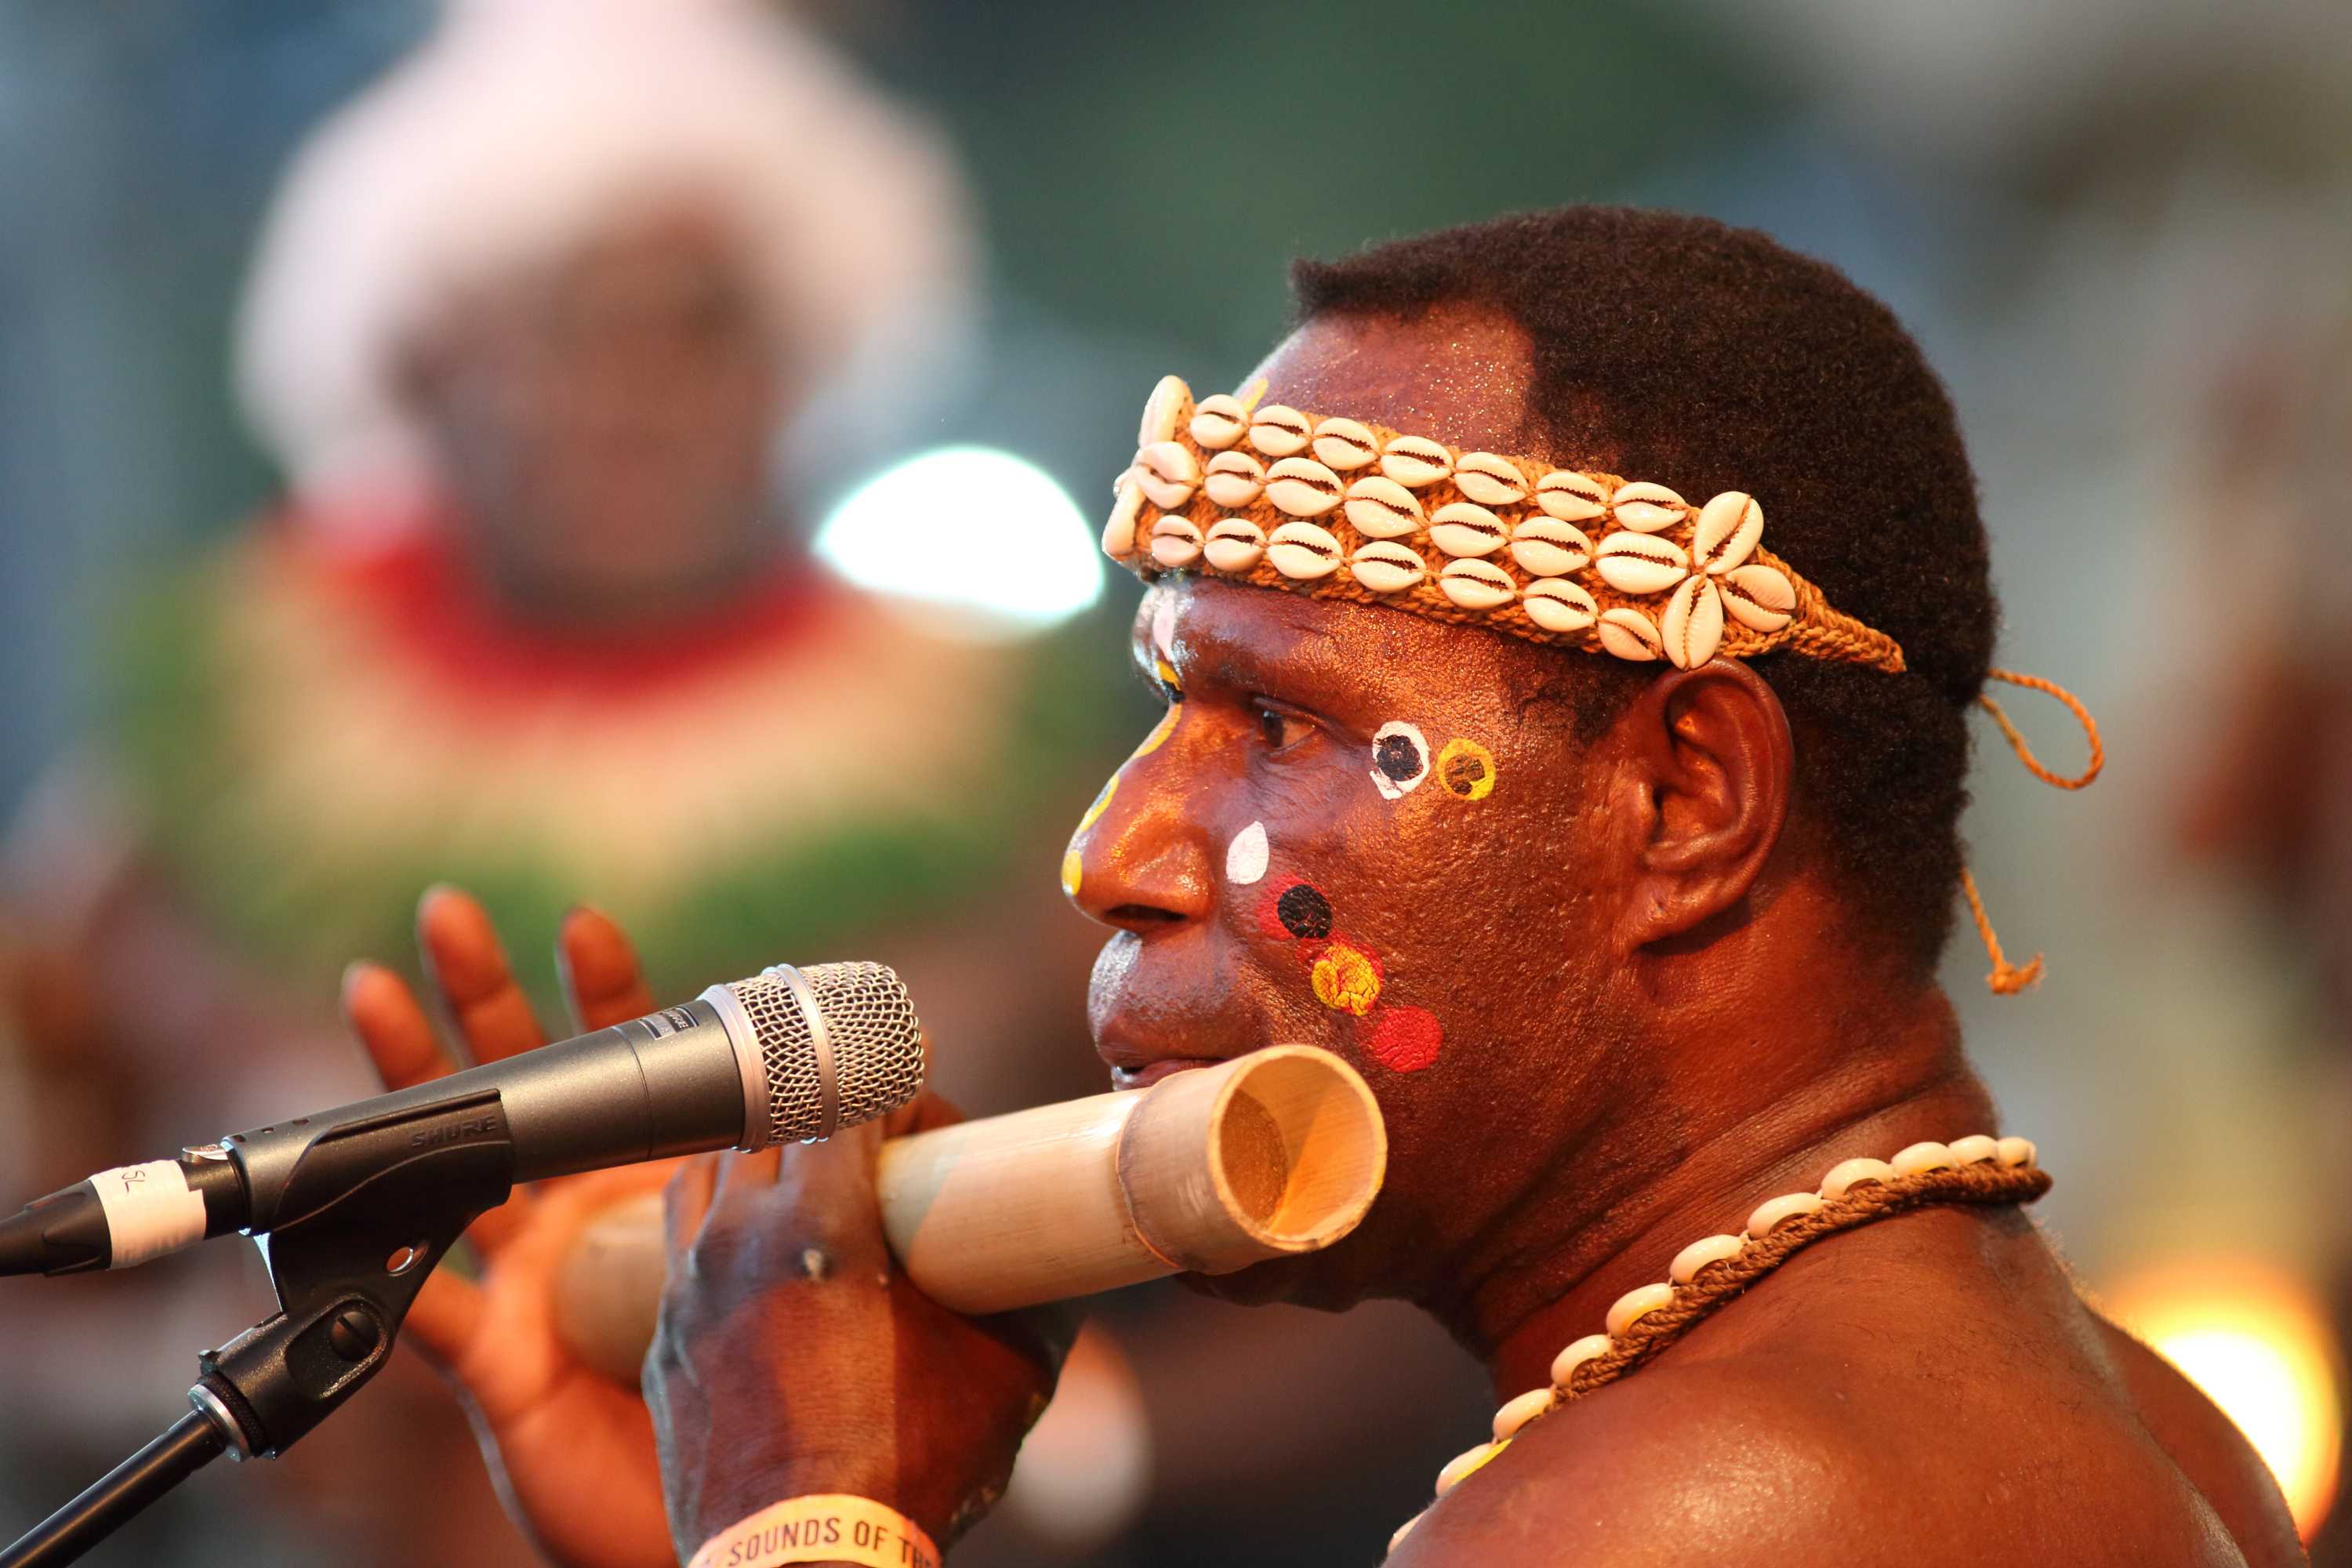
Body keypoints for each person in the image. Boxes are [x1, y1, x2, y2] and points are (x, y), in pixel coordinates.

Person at [339, 208, 2306, 1566]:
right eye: (1166, 703)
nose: (1111, 853)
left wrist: (803, 1514)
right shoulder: (2115, 1421)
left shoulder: (1693, 1514)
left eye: (1273, 720)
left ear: (1688, 801)